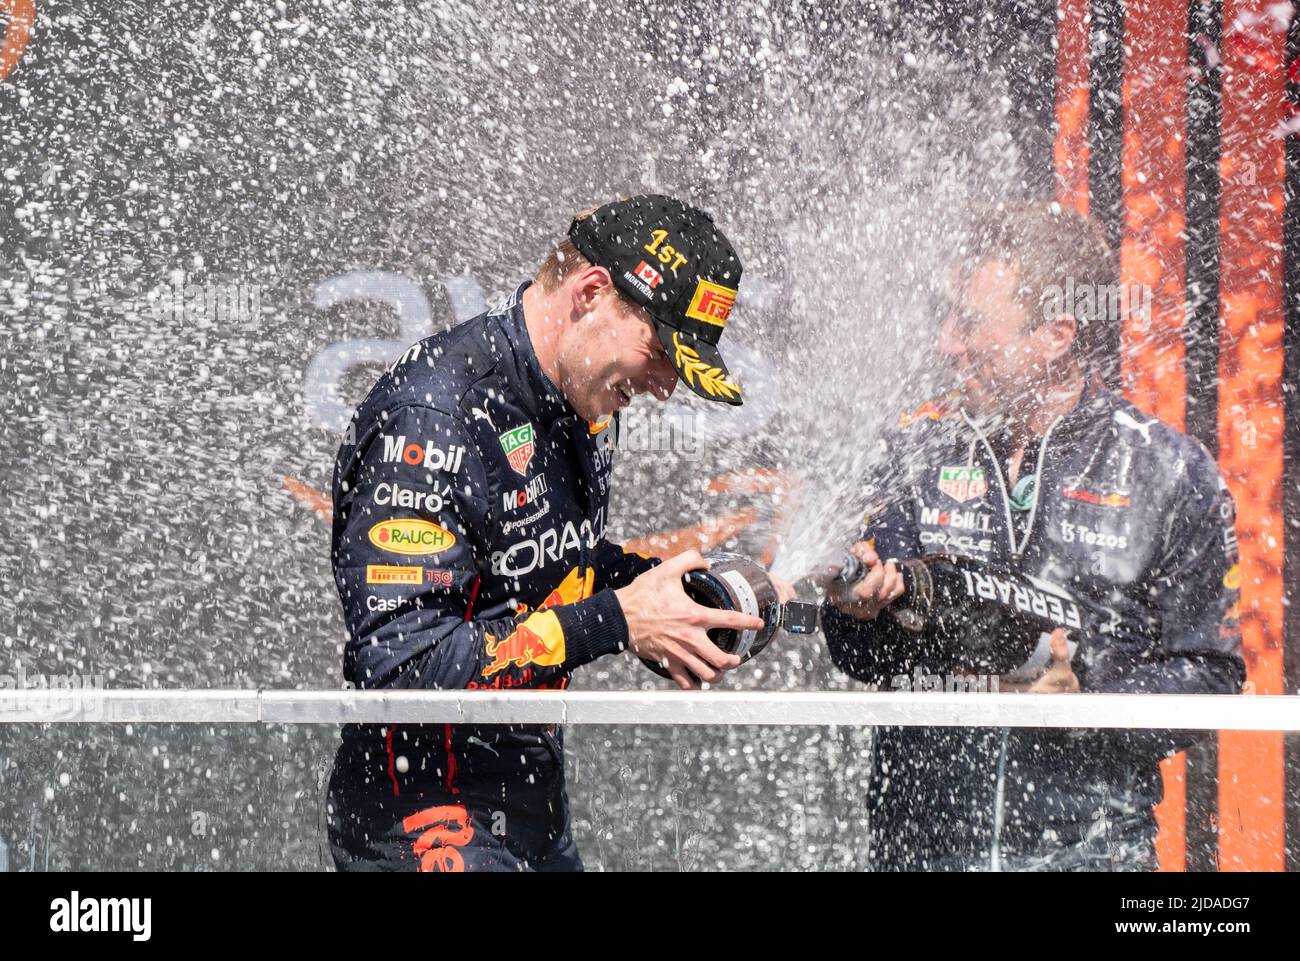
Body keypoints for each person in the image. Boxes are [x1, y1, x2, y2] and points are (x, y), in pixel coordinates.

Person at [326, 194, 772, 872]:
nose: (662, 386)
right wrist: (618, 619)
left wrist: (677, 598)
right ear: (592, 293)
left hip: (530, 805)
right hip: (424, 811)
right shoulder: (432, 414)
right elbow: (402, 669)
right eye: (660, 352)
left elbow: (544, 571)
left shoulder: (582, 395)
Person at [822, 202, 1246, 871]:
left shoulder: (1167, 470)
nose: (947, 342)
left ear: (1056, 335)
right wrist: (858, 607)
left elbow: (1212, 677)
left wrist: (1092, 696)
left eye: (970, 321)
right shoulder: (916, 449)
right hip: (917, 852)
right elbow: (857, 653)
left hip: (1090, 854)